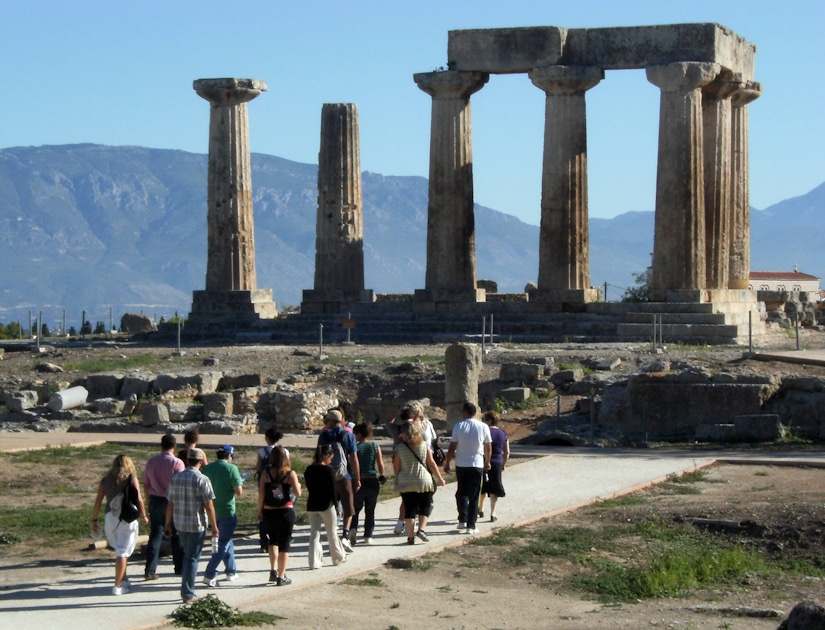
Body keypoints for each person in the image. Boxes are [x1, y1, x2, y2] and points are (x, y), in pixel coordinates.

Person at [164, 447, 218, 603]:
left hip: (180, 523)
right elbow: (209, 505)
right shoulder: (202, 479)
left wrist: (167, 523)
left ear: (187, 460)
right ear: (201, 462)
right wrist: (214, 525)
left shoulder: (176, 478)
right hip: (197, 524)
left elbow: (170, 503)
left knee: (188, 555)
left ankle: (187, 590)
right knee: (192, 558)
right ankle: (187, 593)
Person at [92, 454, 149, 595]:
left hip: (110, 517)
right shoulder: (131, 479)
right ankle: (117, 586)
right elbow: (139, 499)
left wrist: (94, 520)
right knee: (122, 552)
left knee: (120, 549)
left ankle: (124, 578)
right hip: (127, 517)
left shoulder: (105, 480)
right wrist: (143, 515)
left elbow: (98, 500)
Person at [442, 401, 491, 535]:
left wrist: (447, 462)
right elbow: (488, 446)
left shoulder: (459, 426)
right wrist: (487, 461)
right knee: (474, 494)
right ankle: (471, 524)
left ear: (465, 412)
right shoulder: (483, 427)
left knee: (462, 492)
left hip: (461, 464)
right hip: (476, 464)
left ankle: (463, 518)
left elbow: (452, 446)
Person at [393, 421, 446, 544]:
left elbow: (396, 466)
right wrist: (440, 478)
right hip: (424, 480)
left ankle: (410, 537)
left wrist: (398, 478)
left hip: (405, 481)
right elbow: (432, 464)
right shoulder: (424, 445)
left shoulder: (399, 448)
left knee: (409, 508)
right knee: (425, 505)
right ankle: (421, 530)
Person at [143, 433, 185, 580]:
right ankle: (179, 567)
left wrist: (148, 501)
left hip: (155, 499)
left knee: (155, 535)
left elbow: (146, 483)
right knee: (176, 534)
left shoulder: (152, 462)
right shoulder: (177, 463)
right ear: (175, 446)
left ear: (161, 445)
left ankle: (150, 569)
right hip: (171, 501)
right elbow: (180, 484)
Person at [317, 409, 360, 552]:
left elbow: (319, 457)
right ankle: (345, 535)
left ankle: (333, 535)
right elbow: (354, 458)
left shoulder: (323, 435)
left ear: (329, 421)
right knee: (348, 507)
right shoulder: (349, 435)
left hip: (328, 476)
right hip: (345, 475)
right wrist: (357, 478)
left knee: (331, 507)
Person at [258, 445, 302, 586]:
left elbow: (261, 493)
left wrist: (259, 510)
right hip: (285, 511)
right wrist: (299, 486)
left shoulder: (266, 473)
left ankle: (273, 569)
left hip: (269, 510)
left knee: (273, 541)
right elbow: (297, 493)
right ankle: (281, 576)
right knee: (285, 544)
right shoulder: (290, 473)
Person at [201, 444, 244, 587]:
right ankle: (209, 573)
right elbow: (238, 492)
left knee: (226, 540)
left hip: (211, 510)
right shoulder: (232, 469)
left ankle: (231, 571)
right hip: (227, 510)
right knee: (223, 544)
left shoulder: (207, 469)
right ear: (230, 456)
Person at [304, 444, 348, 568]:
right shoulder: (328, 470)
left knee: (314, 533)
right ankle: (337, 557)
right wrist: (336, 505)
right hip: (326, 504)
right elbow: (333, 490)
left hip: (312, 504)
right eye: (331, 457)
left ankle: (314, 562)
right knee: (332, 531)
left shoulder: (309, 469)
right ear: (326, 456)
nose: (331, 460)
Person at [350, 421, 385, 545]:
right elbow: (380, 463)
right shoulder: (375, 446)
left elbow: (353, 463)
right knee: (370, 510)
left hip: (358, 480)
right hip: (372, 480)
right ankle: (368, 535)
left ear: (359, 434)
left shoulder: (355, 447)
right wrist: (382, 474)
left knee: (355, 508)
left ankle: (353, 529)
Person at [255, 428, 286, 552]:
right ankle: (280, 538)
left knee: (264, 511)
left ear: (267, 438)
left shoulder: (262, 451)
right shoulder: (284, 451)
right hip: (281, 484)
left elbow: (258, 467)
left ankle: (264, 542)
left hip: (265, 483)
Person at [478, 411, 509, 522]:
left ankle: (480, 509)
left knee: (482, 485)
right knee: (494, 488)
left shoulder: (484, 431)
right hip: (497, 461)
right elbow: (507, 452)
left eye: (484, 420)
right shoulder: (502, 433)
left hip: (483, 461)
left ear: (489, 420)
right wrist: (504, 464)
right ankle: (493, 513)